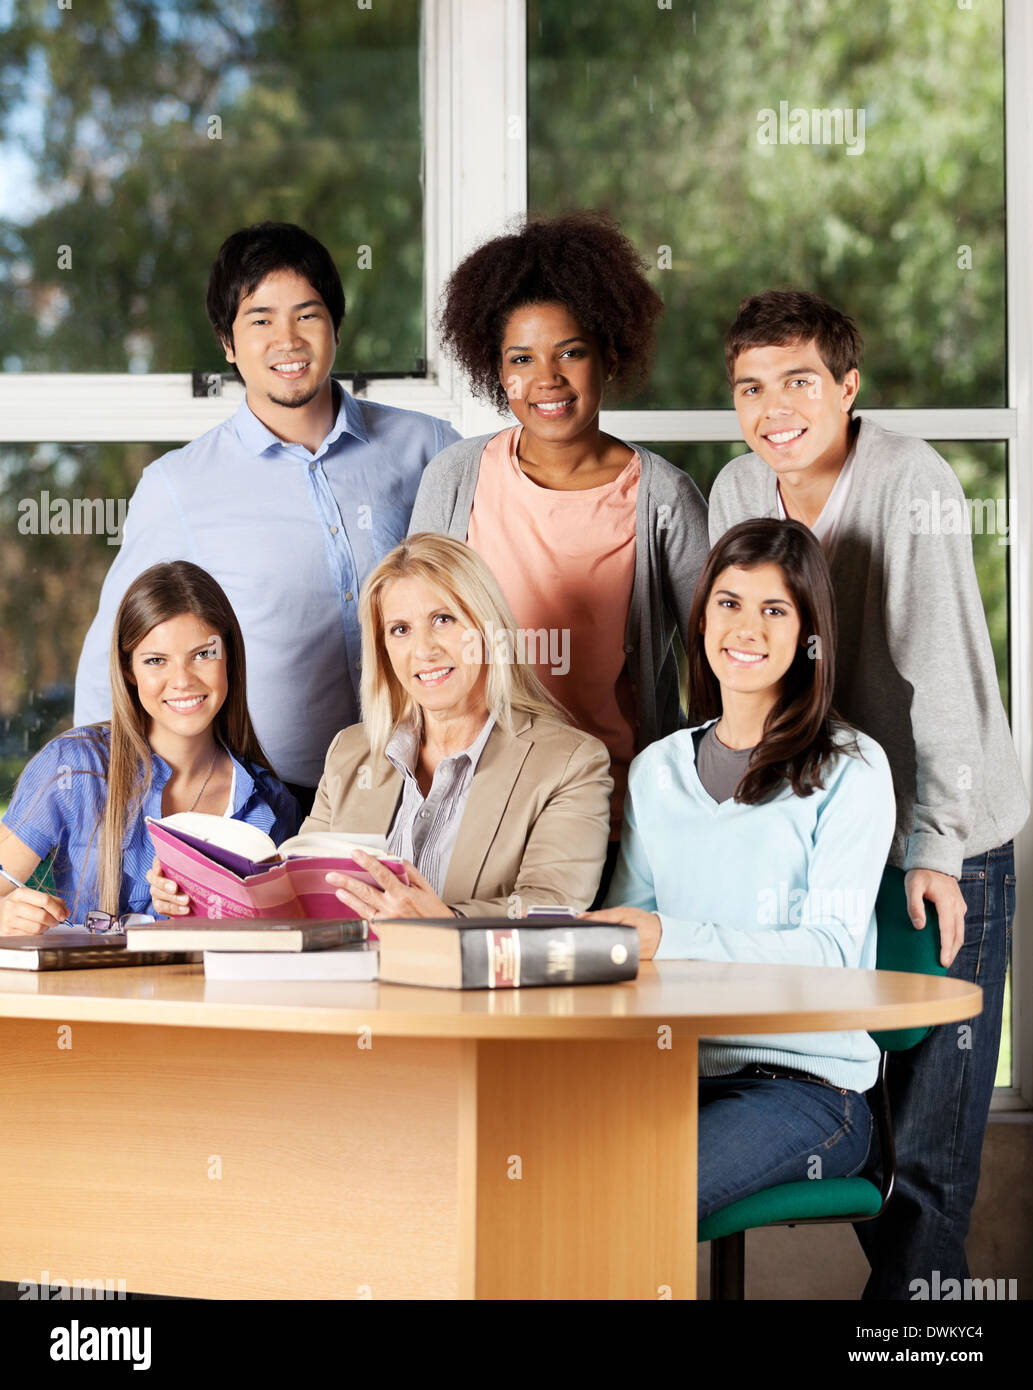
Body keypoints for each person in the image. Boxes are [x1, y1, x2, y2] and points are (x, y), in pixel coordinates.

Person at [707, 289, 1029, 1297]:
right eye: (750, 387)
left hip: (947, 837)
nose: (773, 408)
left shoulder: (909, 480)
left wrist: (936, 848)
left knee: (925, 1170)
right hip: (829, 843)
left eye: (798, 381)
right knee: (857, 1134)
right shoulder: (735, 491)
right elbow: (744, 672)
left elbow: (942, 680)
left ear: (848, 386)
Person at [74, 222, 461, 814]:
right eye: (260, 320)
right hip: (273, 800)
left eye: (307, 315)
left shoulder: (428, 447)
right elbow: (112, 657)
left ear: (335, 326)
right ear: (228, 343)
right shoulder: (178, 485)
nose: (288, 340)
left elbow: (487, 601)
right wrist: (97, 811)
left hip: (431, 778)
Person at [585, 519, 896, 1218]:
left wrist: (669, 937)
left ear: (808, 634)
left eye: (774, 609)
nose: (745, 627)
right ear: (700, 620)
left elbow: (830, 955)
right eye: (728, 603)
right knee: (520, 1170)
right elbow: (623, 945)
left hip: (808, 1088)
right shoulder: (657, 769)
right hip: (666, 1069)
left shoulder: (849, 769)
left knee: (629, 1196)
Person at [408, 211, 709, 898]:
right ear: (496, 372)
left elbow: (717, 662)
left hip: (613, 819)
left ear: (607, 352)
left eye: (569, 352)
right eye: (521, 359)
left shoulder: (662, 496)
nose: (546, 378)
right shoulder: (454, 479)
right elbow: (413, 648)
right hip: (472, 812)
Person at [296, 533, 612, 920]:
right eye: (400, 629)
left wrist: (442, 922)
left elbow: (552, 906)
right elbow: (299, 883)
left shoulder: (570, 763)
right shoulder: (349, 752)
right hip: (348, 975)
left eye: (443, 619)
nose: (423, 650)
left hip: (476, 977)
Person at [0, 562, 298, 932]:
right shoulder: (74, 766)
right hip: (82, 991)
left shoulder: (271, 805)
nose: (182, 681)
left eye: (203, 654)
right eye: (156, 661)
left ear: (229, 660)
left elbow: (280, 942)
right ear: (129, 671)